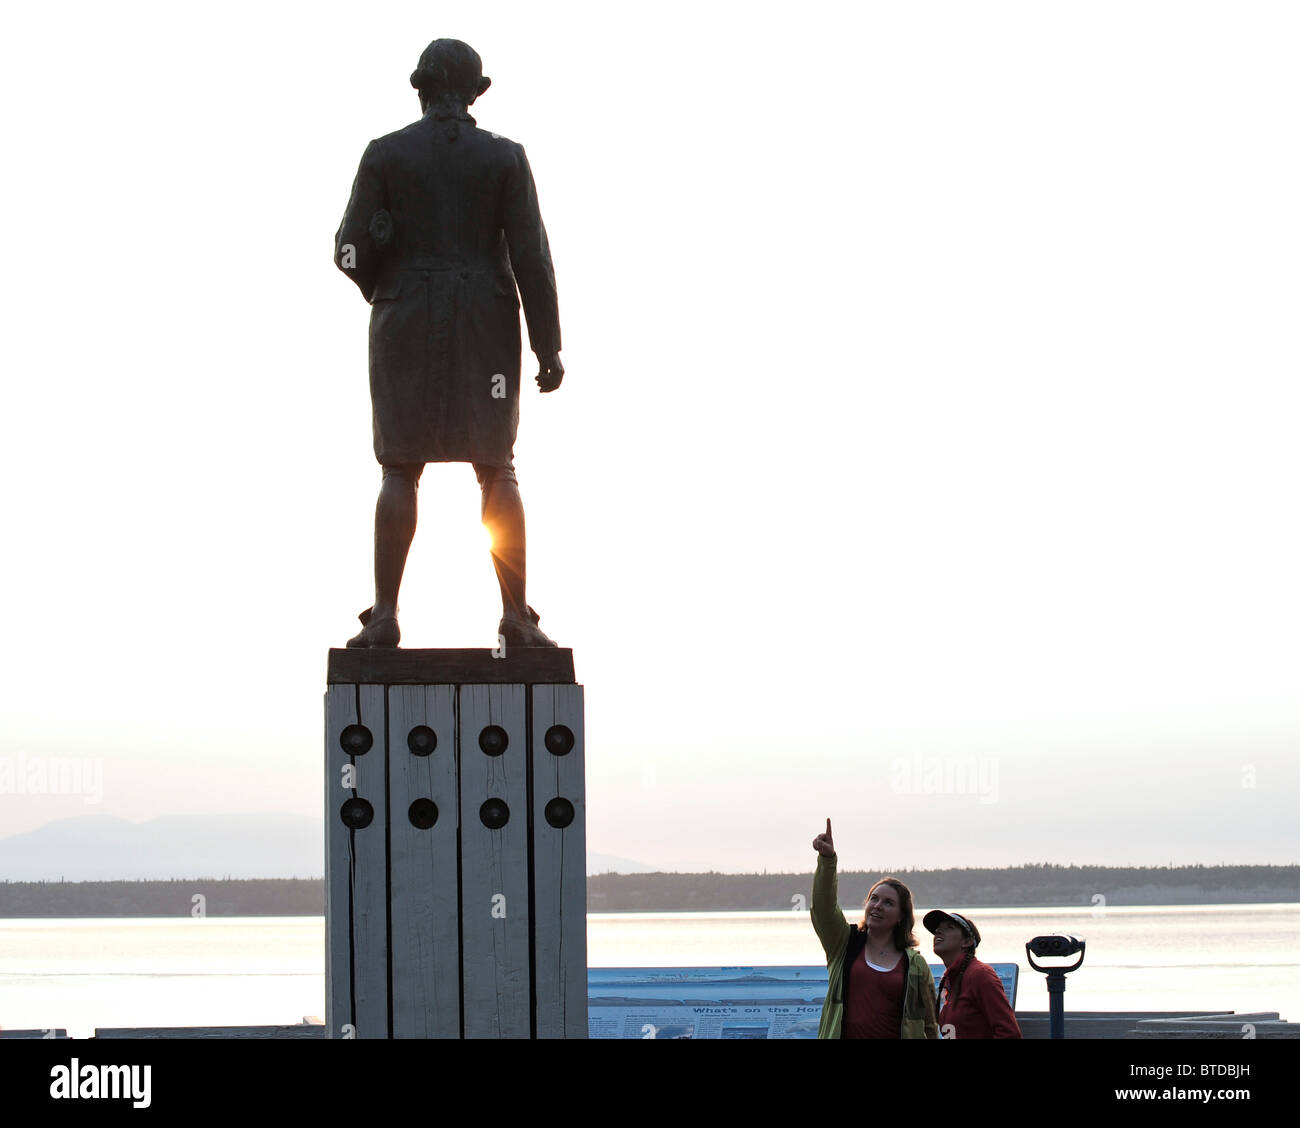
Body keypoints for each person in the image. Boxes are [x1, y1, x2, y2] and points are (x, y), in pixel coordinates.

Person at [334, 38, 564, 649]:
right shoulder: (505, 158)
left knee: (399, 468)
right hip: (484, 323)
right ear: (475, 90)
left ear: (420, 87)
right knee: (497, 468)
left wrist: (380, 259)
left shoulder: (385, 155)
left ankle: (384, 616)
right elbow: (532, 261)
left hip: (403, 319)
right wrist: (548, 345)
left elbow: (347, 251)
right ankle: (515, 618)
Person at [810, 819, 938, 1039]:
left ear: (901, 916)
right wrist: (827, 860)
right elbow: (823, 908)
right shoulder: (843, 944)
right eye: (874, 899)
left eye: (888, 903)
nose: (878, 905)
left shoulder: (915, 965)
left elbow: (929, 1025)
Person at [924, 909, 1022, 1039]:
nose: (938, 931)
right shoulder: (950, 979)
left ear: (967, 942)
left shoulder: (980, 975)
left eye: (949, 927)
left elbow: (1010, 1033)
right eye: (937, 929)